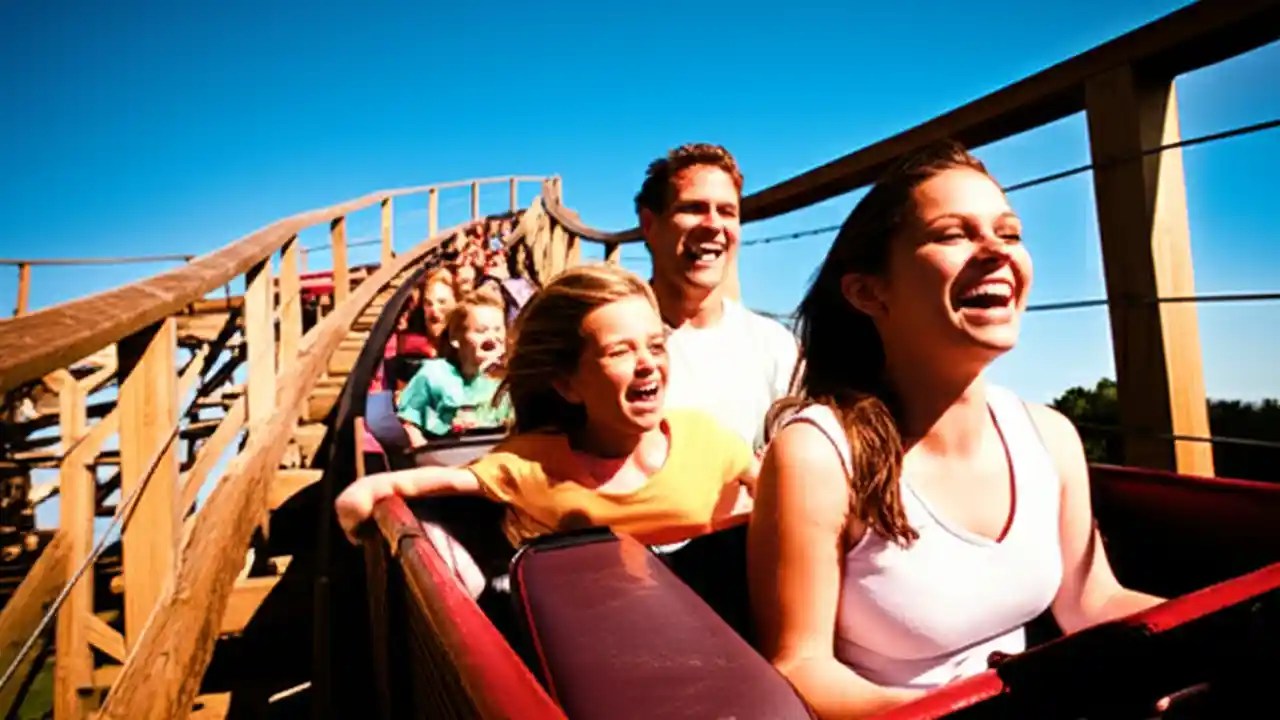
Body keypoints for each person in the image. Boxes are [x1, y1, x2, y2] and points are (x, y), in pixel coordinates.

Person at [746, 141, 1165, 718]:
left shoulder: (1051, 436)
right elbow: (799, 666)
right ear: (869, 292)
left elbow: (1090, 600)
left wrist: (1228, 637)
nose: (995, 250)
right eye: (952, 234)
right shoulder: (819, 454)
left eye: (1010, 233)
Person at [336, 263, 756, 551]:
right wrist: (367, 493)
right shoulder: (533, 463)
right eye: (619, 352)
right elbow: (429, 482)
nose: (647, 363)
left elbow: (780, 488)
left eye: (655, 346)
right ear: (566, 384)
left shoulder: (705, 439)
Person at [636, 143, 799, 451]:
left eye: (726, 212)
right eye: (693, 208)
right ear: (649, 225)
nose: (713, 225)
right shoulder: (613, 346)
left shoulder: (775, 346)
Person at [396, 289, 511, 446]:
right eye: (481, 331)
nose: (491, 337)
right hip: (447, 458)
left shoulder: (509, 380)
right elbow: (409, 421)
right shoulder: (434, 374)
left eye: (497, 329)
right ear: (455, 338)